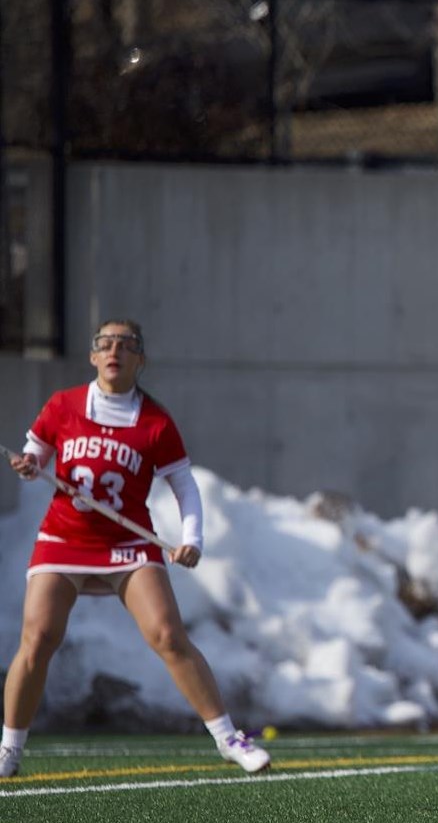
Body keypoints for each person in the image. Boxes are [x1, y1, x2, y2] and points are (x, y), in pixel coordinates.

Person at [1, 320, 271, 778]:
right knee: (39, 638)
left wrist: (192, 539)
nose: (114, 351)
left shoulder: (155, 422)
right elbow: (36, 456)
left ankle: (228, 739)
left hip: (128, 542)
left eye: (126, 346)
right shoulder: (63, 405)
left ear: (140, 360)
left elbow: (184, 485)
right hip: (64, 538)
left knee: (167, 635)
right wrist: (29, 466)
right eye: (105, 344)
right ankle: (9, 749)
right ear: (93, 357)